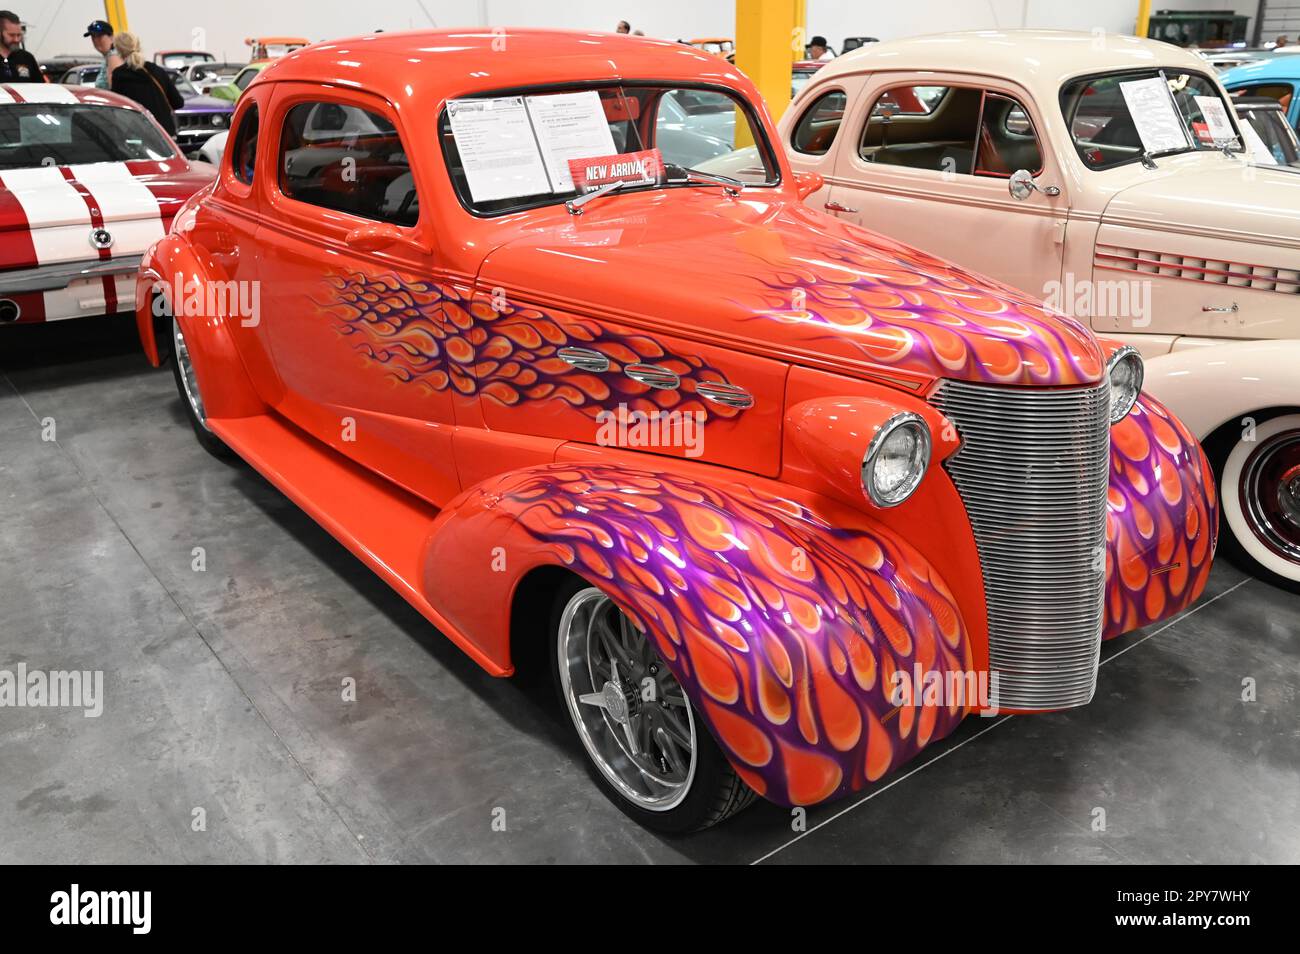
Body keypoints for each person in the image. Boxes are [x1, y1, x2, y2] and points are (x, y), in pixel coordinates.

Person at [109, 32, 184, 136]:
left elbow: (116, 107)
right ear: (138, 46)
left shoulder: (119, 75)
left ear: (118, 50)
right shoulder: (158, 71)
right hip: (165, 134)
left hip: (137, 134)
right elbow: (178, 102)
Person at [0, 9, 44, 82]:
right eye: (11, 35)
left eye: (19, 35)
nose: (16, 39)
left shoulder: (27, 58)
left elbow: (40, 87)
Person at [84, 19, 122, 89]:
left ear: (111, 37)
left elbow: (116, 90)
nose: (95, 40)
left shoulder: (114, 57)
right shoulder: (108, 57)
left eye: (99, 36)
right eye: (93, 37)